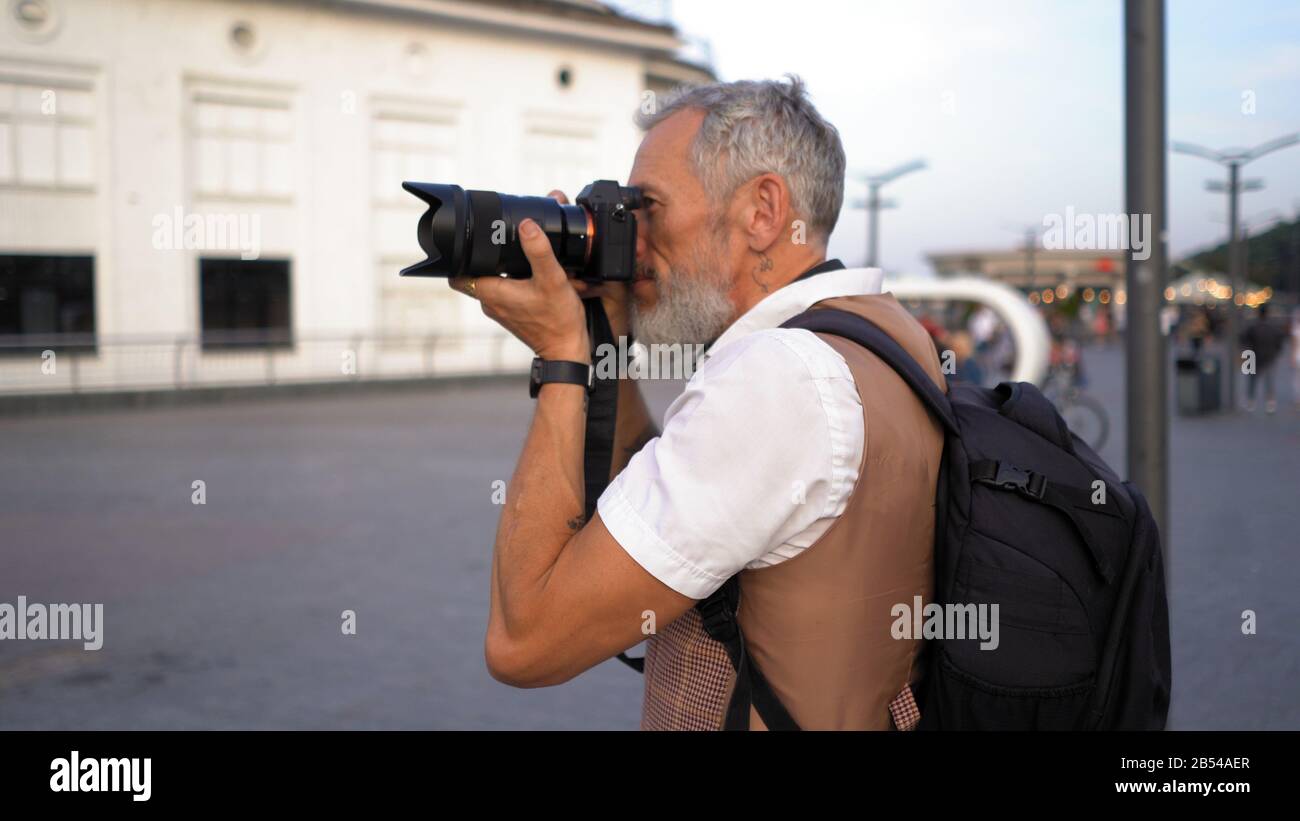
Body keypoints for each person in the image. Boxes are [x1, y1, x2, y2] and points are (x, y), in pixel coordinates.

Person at [453, 77, 945, 730]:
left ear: (763, 211)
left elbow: (524, 640)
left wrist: (563, 356)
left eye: (647, 207)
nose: (633, 240)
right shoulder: (880, 332)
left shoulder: (776, 379)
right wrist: (606, 330)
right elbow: (631, 509)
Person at [1240, 303, 1287, 414]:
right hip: (1270, 357)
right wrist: (1276, 353)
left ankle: (1251, 402)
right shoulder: (1273, 327)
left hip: (1254, 357)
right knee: (1269, 380)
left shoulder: (1253, 327)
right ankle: (1270, 403)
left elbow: (1244, 340)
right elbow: (1280, 342)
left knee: (1252, 381)